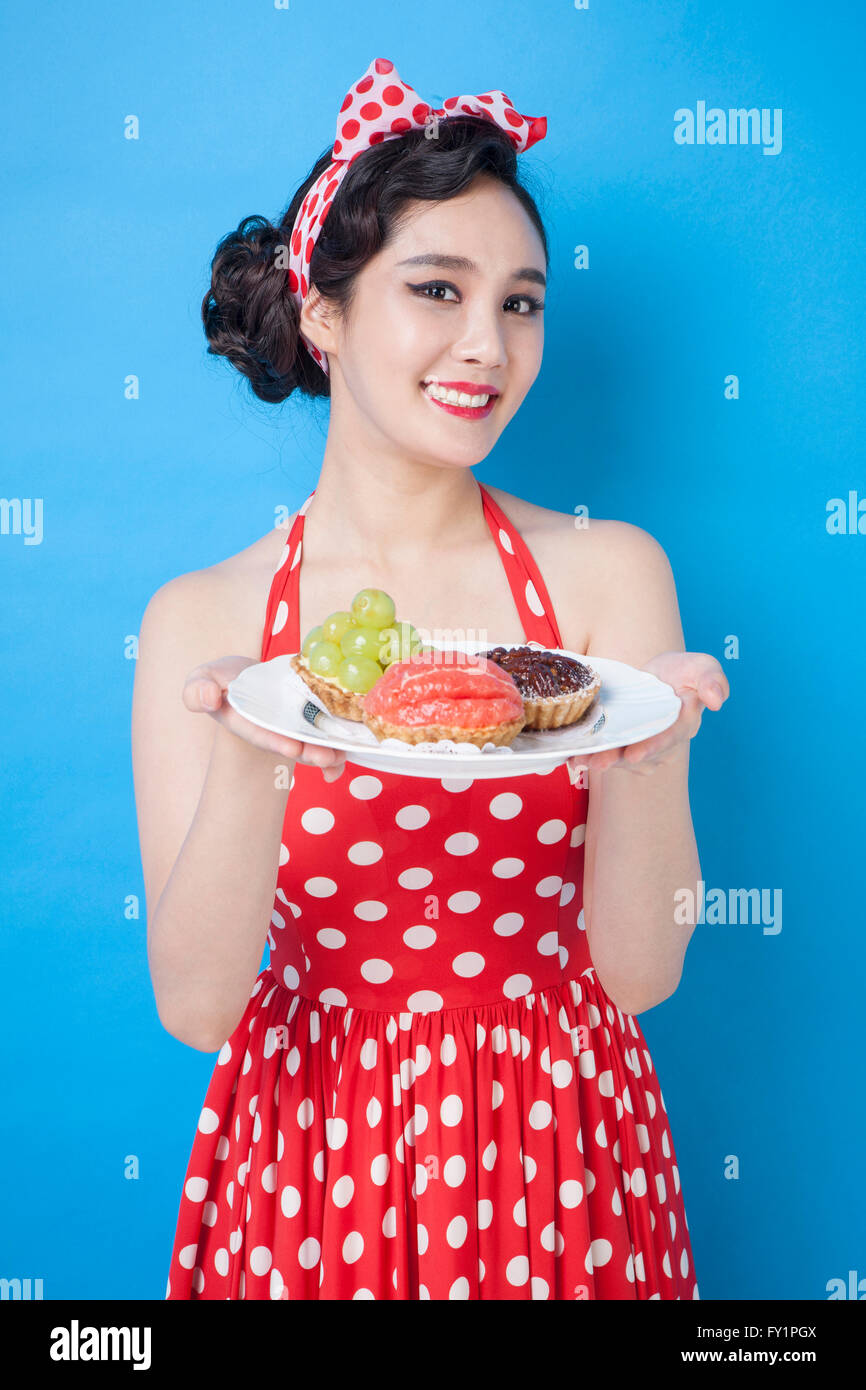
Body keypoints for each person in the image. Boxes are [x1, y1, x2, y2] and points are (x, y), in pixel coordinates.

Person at [132, 57, 728, 1301]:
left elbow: (642, 972)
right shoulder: (208, 619)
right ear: (324, 313)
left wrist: (652, 747)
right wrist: (252, 743)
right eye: (435, 289)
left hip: (562, 1143)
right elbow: (197, 1006)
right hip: (310, 1154)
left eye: (520, 303)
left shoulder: (606, 578)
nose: (485, 345)